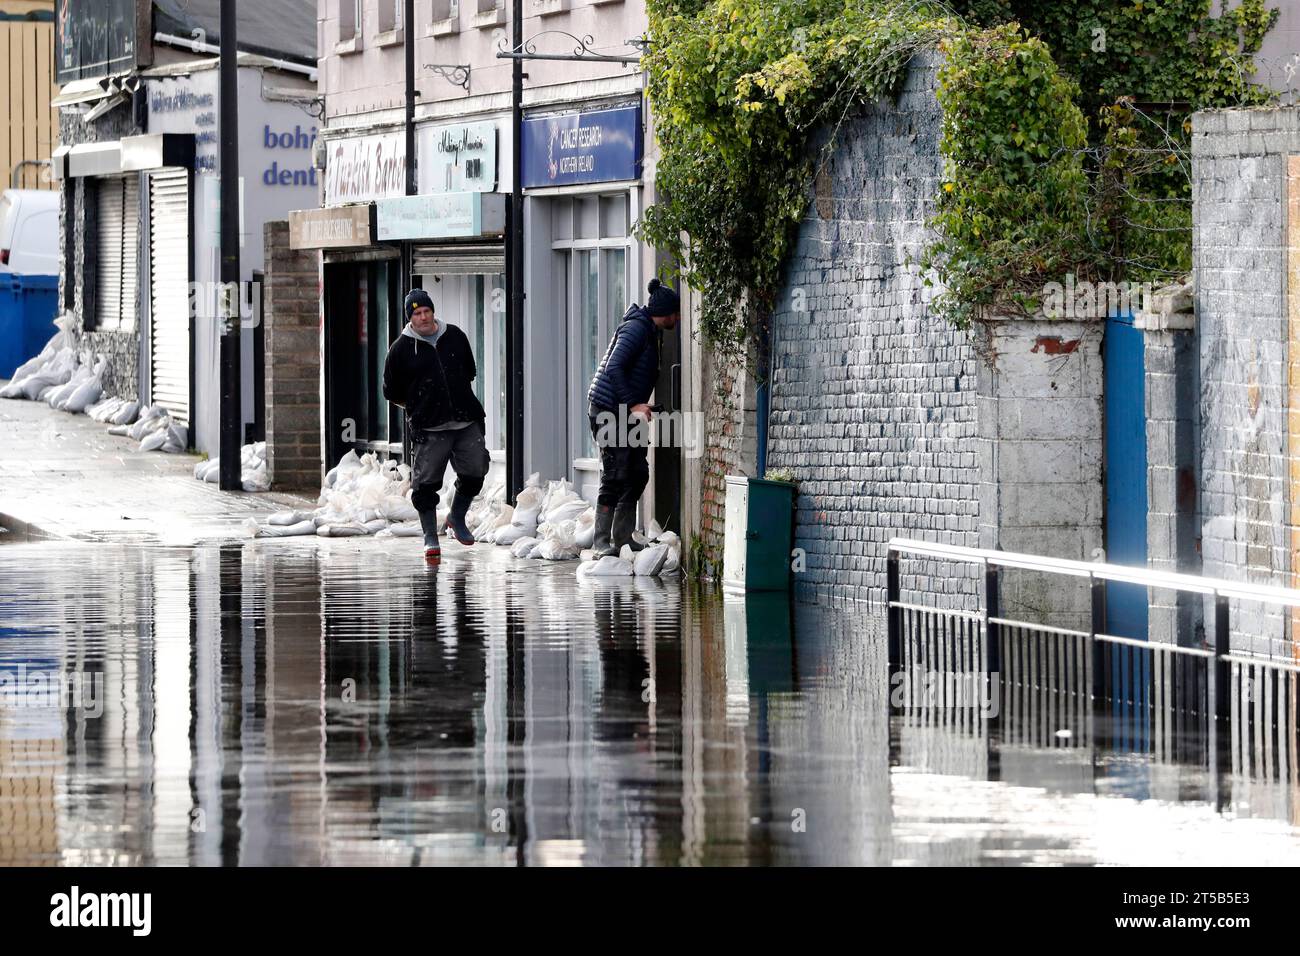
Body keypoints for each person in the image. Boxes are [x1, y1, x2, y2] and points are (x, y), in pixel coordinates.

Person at [382, 289, 490, 563]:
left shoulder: (454, 335)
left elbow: (469, 371)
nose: (424, 317)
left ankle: (457, 517)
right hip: (429, 427)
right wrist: (420, 406)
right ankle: (430, 536)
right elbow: (391, 391)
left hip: (466, 419)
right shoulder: (400, 349)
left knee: (476, 470)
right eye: (417, 314)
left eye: (427, 311)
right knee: (426, 484)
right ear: (410, 318)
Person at [586, 277, 680, 557]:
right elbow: (614, 366)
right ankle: (601, 541)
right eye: (676, 313)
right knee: (615, 475)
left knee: (638, 473)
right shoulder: (637, 328)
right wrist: (633, 405)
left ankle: (623, 537)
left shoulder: (651, 331)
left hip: (624, 413)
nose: (677, 318)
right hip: (608, 411)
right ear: (665, 313)